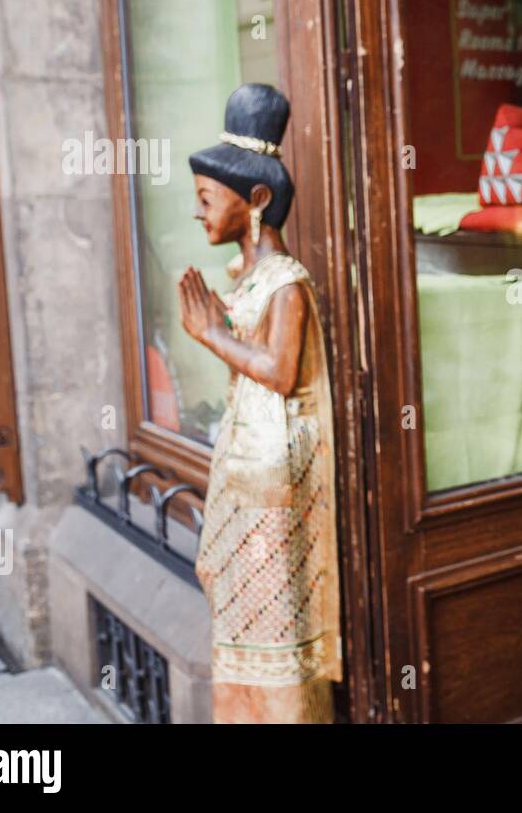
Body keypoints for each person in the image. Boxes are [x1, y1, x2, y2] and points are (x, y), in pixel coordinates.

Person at [179, 82, 341, 723]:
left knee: (276, 618)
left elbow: (278, 370)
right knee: (241, 616)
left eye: (206, 200)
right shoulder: (251, 278)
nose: (199, 213)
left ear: (257, 201)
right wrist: (223, 325)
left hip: (274, 473)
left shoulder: (286, 280)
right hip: (247, 463)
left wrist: (215, 335)